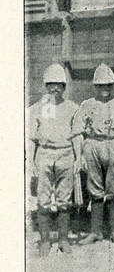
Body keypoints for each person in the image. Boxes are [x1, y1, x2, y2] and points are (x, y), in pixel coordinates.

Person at [26, 63, 81, 256]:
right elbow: (32, 138)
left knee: (65, 201)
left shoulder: (73, 108)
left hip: (66, 154)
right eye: (51, 84)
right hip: (44, 154)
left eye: (59, 84)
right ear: (45, 86)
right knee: (43, 200)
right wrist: (31, 162)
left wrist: (78, 159)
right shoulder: (37, 109)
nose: (55, 88)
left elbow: (76, 136)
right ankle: (45, 241)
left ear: (65, 87)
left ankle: (63, 240)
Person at [73, 63, 114, 244]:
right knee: (95, 188)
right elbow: (77, 132)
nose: (105, 89)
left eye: (108, 85)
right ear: (95, 86)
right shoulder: (87, 105)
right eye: (100, 85)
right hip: (92, 144)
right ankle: (95, 231)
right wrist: (79, 156)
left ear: (113, 85)